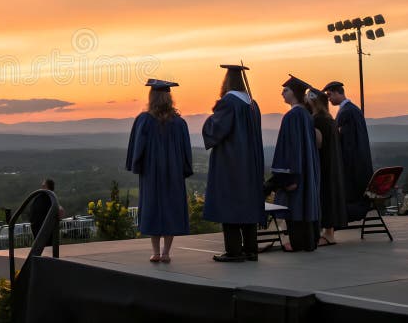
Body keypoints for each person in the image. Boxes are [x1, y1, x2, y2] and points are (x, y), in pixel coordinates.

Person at [125, 79, 193, 263]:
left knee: (153, 208)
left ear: (151, 97)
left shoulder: (144, 120)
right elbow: (187, 151)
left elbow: (138, 147)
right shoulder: (179, 123)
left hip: (152, 173)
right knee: (171, 208)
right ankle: (166, 253)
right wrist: (184, 170)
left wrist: (137, 166)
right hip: (173, 173)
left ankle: (155, 252)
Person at [202, 64, 265, 263]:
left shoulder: (229, 102)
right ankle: (251, 250)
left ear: (227, 81)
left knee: (228, 203)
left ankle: (234, 251)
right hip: (251, 163)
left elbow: (215, 129)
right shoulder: (252, 104)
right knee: (247, 204)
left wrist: (209, 120)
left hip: (231, 163)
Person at [267, 75, 321, 252]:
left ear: (295, 93)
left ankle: (298, 242)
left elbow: (290, 148)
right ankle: (308, 241)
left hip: (296, 171)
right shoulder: (306, 115)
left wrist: (289, 178)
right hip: (305, 170)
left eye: (286, 90)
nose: (282, 93)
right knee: (305, 205)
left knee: (296, 206)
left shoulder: (292, 116)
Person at [323, 81, 375, 222]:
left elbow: (348, 143)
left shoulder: (347, 112)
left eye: (329, 95)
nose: (328, 98)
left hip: (353, 164)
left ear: (336, 92)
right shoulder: (353, 110)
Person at [307, 87, 348, 245]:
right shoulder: (329, 119)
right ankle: (327, 233)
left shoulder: (317, 120)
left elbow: (318, 143)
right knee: (329, 195)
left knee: (325, 196)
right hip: (332, 164)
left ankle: (328, 234)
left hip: (323, 164)